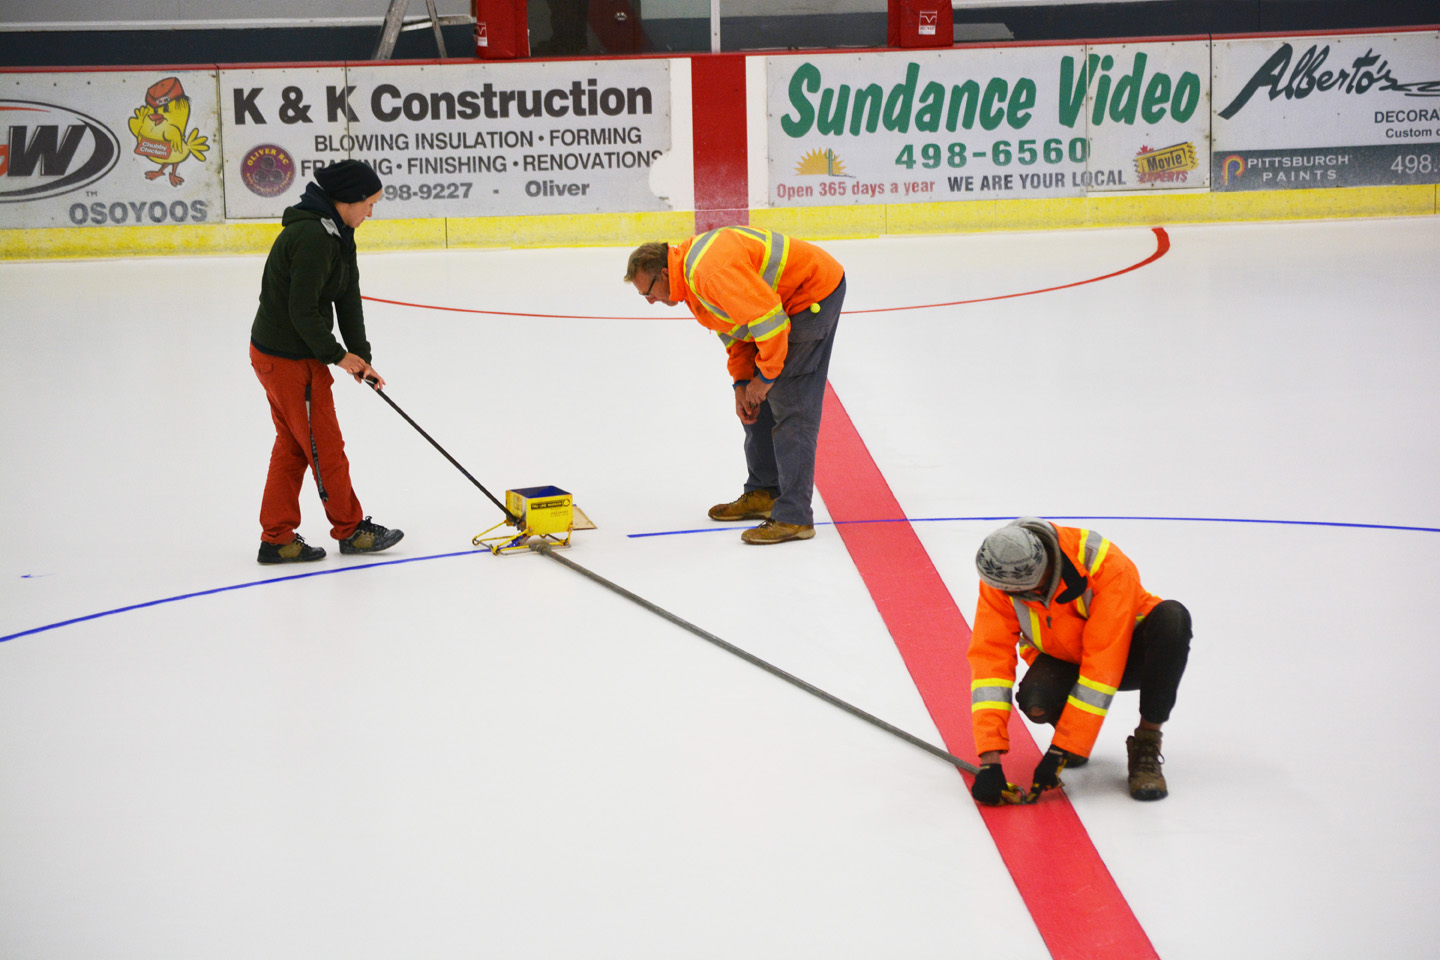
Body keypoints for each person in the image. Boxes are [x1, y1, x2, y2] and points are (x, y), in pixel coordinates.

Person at [625, 228, 846, 544]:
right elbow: (738, 333)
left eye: (648, 291)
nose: (650, 301)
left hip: (812, 294)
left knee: (788, 401)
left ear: (663, 273)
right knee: (757, 404)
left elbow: (771, 324)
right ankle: (764, 491)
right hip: (779, 306)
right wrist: (743, 385)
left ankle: (794, 517)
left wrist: (766, 377)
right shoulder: (688, 283)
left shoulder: (710, 273)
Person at [966, 518, 1191, 802]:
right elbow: (990, 665)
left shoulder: (1105, 564)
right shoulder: (1000, 577)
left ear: (1048, 566)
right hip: (1063, 655)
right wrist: (990, 760)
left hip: (1129, 651)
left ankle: (1146, 742)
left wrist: (1060, 747)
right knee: (1035, 700)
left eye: (1032, 591)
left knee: (1173, 619)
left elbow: (1103, 664)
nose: (1024, 598)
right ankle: (1072, 741)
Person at [249, 159, 403, 564]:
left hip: (286, 355)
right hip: (287, 359)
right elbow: (302, 312)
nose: (371, 212)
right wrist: (338, 356)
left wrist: (361, 357)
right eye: (369, 203)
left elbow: (347, 296)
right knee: (325, 447)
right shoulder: (313, 236)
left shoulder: (338, 232)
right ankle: (351, 531)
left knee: (297, 447)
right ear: (346, 200)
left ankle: (277, 536)